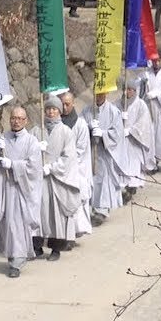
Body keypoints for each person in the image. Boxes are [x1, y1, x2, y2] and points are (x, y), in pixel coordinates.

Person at [0, 106, 44, 278]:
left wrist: (13, 165)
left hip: (21, 190)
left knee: (17, 225)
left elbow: (34, 168)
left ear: (26, 120)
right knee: (7, 224)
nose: (16, 121)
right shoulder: (1, 138)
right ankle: (12, 255)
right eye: (13, 118)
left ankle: (17, 260)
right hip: (5, 188)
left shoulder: (31, 142)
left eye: (20, 118)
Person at [35, 96, 81, 260]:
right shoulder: (37, 130)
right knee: (39, 212)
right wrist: (36, 154)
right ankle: (36, 246)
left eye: (54, 109)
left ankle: (56, 248)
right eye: (48, 108)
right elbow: (29, 151)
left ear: (59, 111)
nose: (51, 111)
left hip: (57, 180)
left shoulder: (66, 132)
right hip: (40, 178)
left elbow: (68, 157)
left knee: (55, 215)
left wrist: (52, 167)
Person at [85, 88, 128, 226]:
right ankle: (93, 206)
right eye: (96, 93)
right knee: (92, 179)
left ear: (106, 94)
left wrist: (103, 133)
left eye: (101, 93)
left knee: (104, 180)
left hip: (106, 152)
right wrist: (88, 128)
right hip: (91, 150)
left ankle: (102, 210)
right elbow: (78, 128)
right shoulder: (87, 110)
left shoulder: (113, 111)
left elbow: (117, 134)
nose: (98, 96)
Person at [59, 91, 93, 241]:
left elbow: (80, 149)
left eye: (67, 104)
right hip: (60, 168)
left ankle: (74, 232)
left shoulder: (80, 125)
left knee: (76, 201)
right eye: (63, 104)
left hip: (76, 169)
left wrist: (66, 160)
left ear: (73, 104)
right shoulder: (57, 123)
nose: (65, 107)